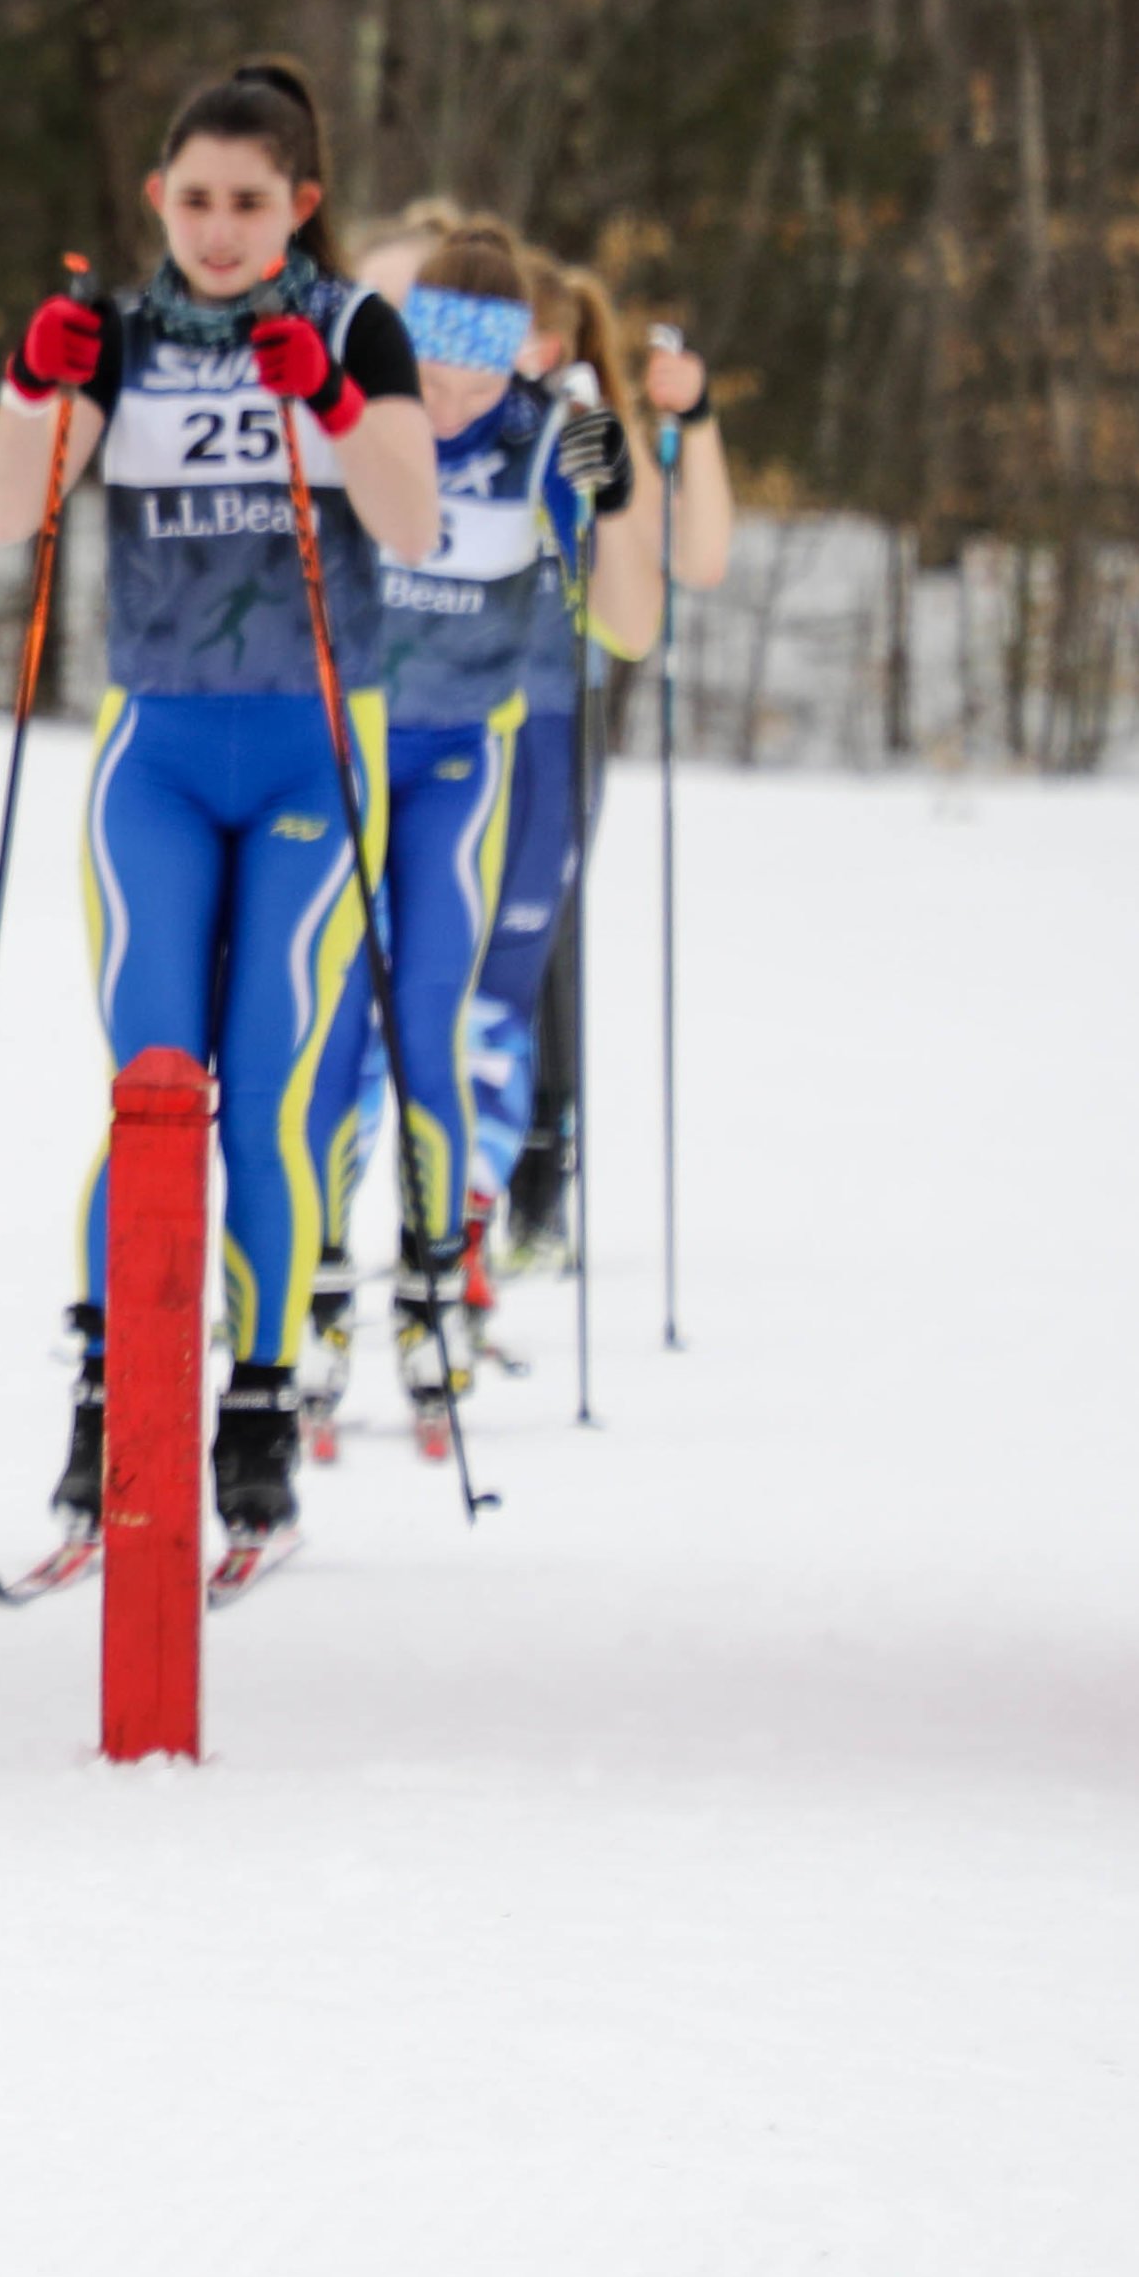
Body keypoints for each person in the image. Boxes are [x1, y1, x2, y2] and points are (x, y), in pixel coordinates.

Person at [0, 61, 442, 1575]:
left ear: (300, 207)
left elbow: (413, 520)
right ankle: (110, 1402)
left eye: (252, 203)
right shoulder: (115, 331)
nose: (223, 230)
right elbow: (9, 511)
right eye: (196, 201)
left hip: (315, 748)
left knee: (272, 1082)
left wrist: (325, 397)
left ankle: (253, 1418)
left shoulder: (356, 326)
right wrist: (30, 385)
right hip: (158, 756)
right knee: (154, 1077)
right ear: (157, 202)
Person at [338, 215, 662, 1451]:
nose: (457, 391)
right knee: (346, 1021)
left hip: (507, 748)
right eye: (436, 364)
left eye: (483, 366)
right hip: (366, 747)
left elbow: (631, 625)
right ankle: (313, 1269)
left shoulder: (542, 441)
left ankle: (452, 1253)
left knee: (476, 1012)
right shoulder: (370, 422)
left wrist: (618, 493)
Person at [495, 256, 735, 1272]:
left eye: (548, 337)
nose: (531, 356)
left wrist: (698, 423)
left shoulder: (598, 433)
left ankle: (538, 1176)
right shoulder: (452, 417)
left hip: (557, 712)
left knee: (541, 934)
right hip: (448, 715)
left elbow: (691, 559)